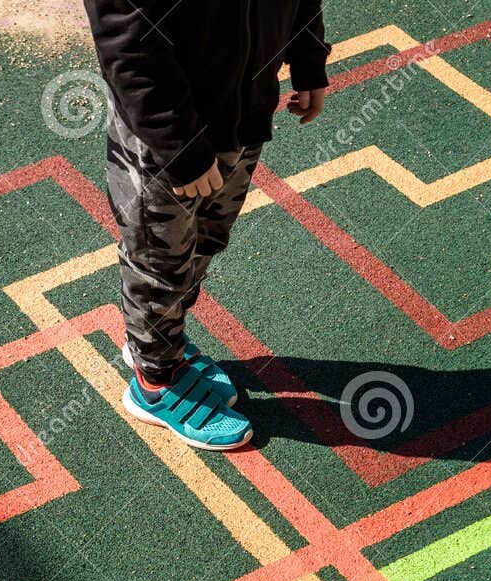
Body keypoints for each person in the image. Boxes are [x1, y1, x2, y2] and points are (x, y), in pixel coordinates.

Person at [83, 1, 330, 450]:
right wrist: (179, 146)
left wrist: (308, 56)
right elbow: (126, 39)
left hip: (244, 115)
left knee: (205, 240)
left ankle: (157, 341)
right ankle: (154, 380)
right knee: (160, 261)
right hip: (166, 140)